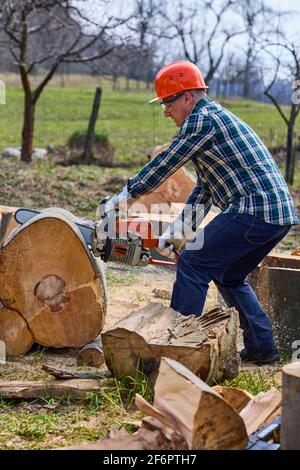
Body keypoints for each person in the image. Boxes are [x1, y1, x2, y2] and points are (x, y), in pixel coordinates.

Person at [94, 60, 299, 365]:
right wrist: (177, 231)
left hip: (255, 209)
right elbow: (204, 189)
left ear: (187, 97)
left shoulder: (201, 120)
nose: (165, 111)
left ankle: (176, 348)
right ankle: (262, 349)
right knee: (229, 276)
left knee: (194, 264)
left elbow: (165, 164)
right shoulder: (213, 122)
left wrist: (123, 197)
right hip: (277, 215)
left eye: (168, 102)